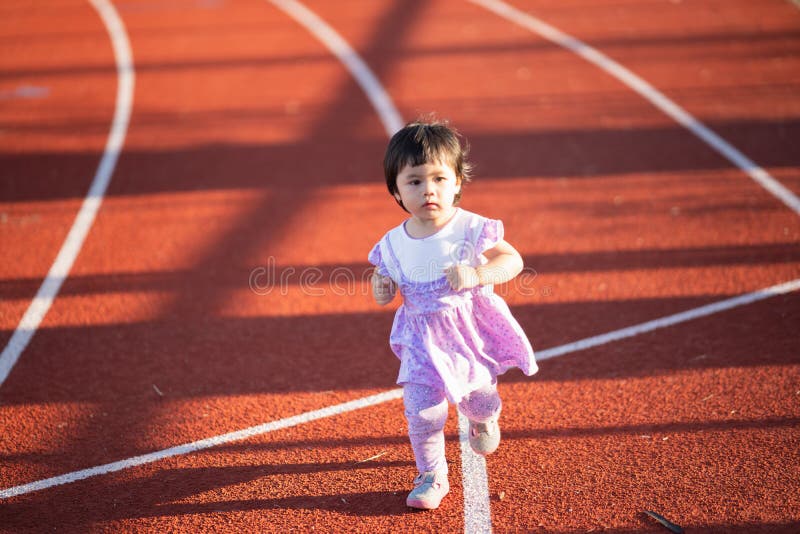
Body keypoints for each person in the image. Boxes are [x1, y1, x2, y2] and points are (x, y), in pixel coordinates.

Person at [368, 118, 537, 510]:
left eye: (439, 179)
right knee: (423, 413)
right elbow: (383, 280)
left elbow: (512, 260)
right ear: (396, 190)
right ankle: (432, 474)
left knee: (479, 399)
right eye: (414, 181)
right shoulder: (393, 243)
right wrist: (381, 287)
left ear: (458, 182)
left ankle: (484, 416)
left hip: (466, 334)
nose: (428, 190)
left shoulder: (470, 228)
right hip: (420, 339)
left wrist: (479, 274)